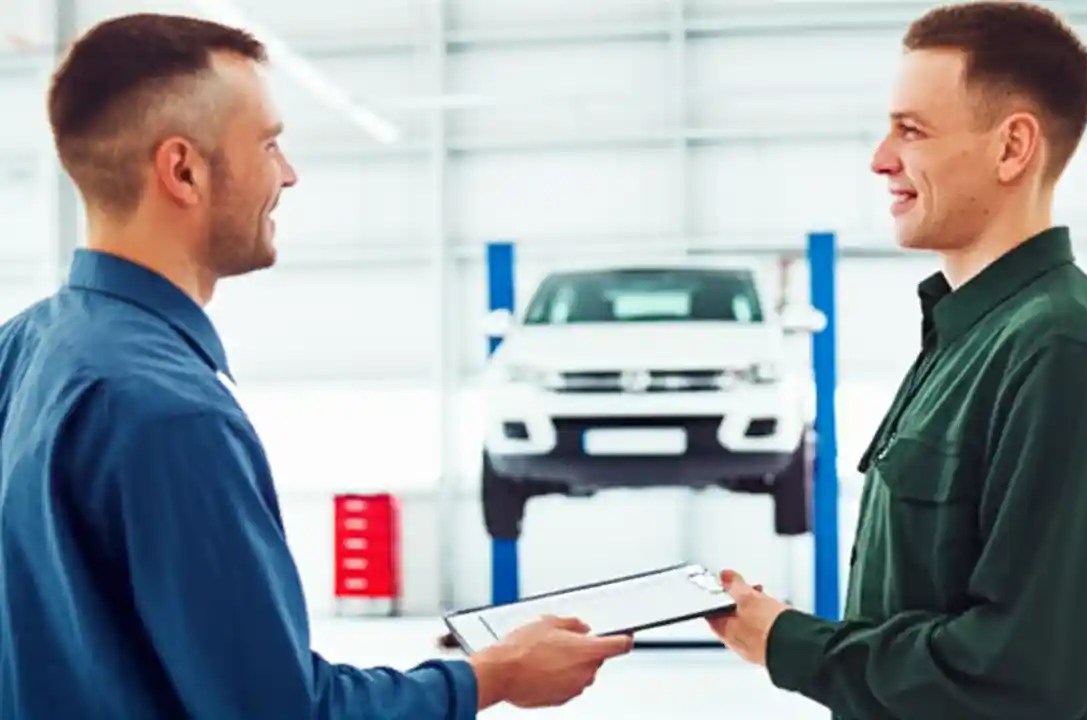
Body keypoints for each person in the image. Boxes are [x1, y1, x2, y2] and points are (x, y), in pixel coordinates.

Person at [0, 13, 631, 719]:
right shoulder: (169, 412)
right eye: (269, 144)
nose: (289, 175)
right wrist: (491, 678)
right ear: (183, 170)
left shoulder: (24, 350)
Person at [707, 3, 1087, 719]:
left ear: (1013, 149)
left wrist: (792, 644)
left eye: (910, 130)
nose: (880, 158)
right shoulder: (967, 337)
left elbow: (1022, 676)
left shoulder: (1062, 352)